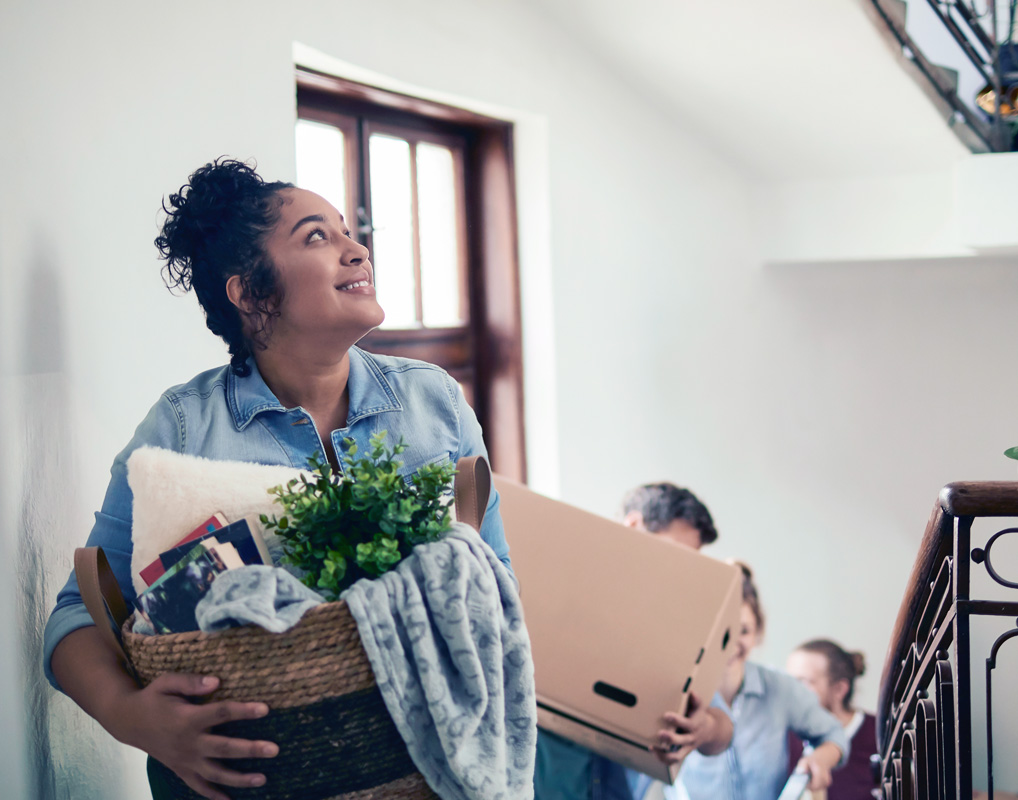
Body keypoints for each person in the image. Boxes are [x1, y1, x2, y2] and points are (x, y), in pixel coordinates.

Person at [42, 158, 513, 800]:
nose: (356, 249)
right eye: (318, 237)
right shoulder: (183, 428)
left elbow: (496, 586)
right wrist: (135, 719)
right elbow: (76, 614)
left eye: (348, 231)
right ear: (251, 294)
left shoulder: (436, 404)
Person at [534, 482, 732, 800]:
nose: (681, 574)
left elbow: (722, 728)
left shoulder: (676, 626)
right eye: (676, 555)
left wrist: (703, 728)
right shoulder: (557, 583)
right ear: (633, 526)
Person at [678, 563, 848, 800]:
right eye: (723, 631)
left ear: (759, 632)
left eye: (744, 631)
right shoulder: (681, 688)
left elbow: (834, 734)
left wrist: (820, 758)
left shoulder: (780, 687)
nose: (732, 643)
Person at [785, 640, 878, 799]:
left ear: (839, 689)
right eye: (787, 682)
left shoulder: (880, 734)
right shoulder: (783, 737)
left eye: (803, 682)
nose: (790, 692)